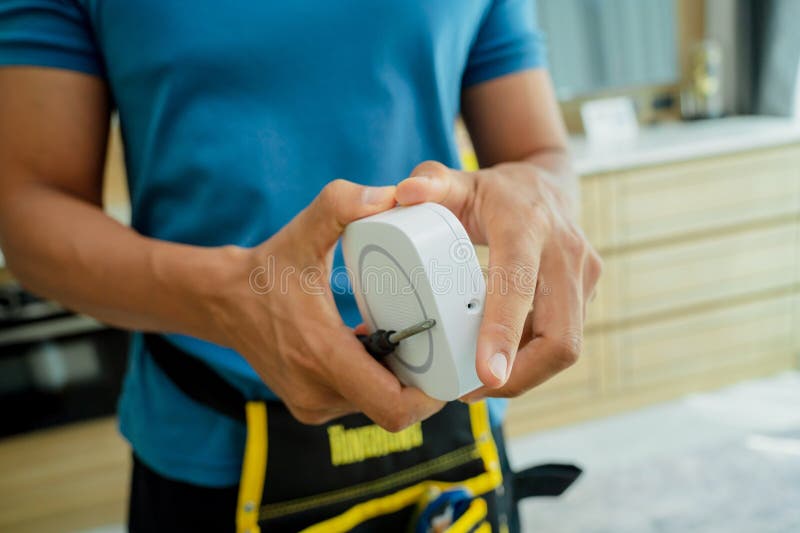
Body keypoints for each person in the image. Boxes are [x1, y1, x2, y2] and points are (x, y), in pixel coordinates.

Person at [0, 1, 601, 531]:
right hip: (212, 443)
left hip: (451, 403)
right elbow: (25, 212)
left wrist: (535, 196)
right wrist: (227, 297)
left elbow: (536, 155)